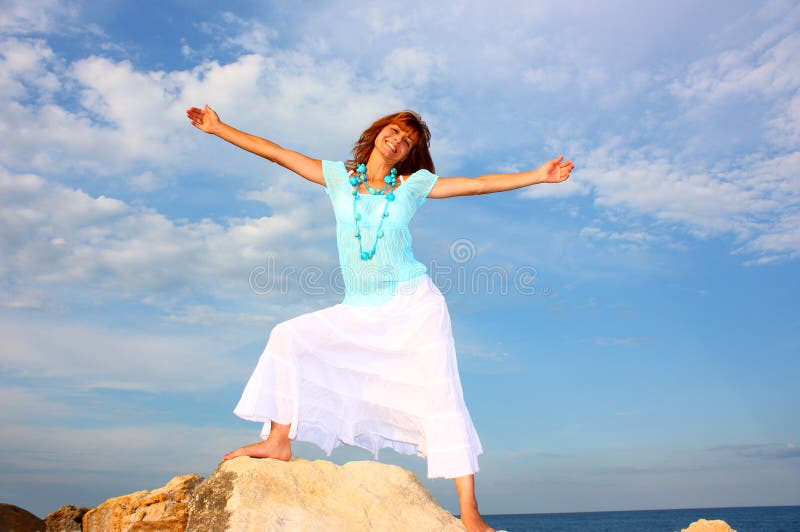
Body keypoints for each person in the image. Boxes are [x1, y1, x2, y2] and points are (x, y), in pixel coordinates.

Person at [186, 104, 573, 532]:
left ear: (408, 154)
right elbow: (276, 152)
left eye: (408, 141)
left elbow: (477, 184)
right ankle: (278, 441)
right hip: (359, 307)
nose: (399, 141)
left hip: (414, 305)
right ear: (376, 134)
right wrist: (218, 128)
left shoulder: (412, 185)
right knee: (287, 336)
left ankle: (469, 512)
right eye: (395, 131)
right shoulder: (337, 178)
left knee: (441, 396)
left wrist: (538, 175)